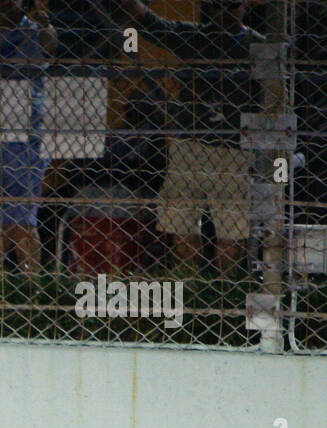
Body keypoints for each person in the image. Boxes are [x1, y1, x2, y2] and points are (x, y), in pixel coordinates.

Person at [113, 0, 263, 274]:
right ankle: (190, 293)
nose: (224, 12)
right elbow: (152, 24)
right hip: (190, 145)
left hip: (233, 149)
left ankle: (223, 298)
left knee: (229, 234)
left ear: (243, 8)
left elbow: (272, 100)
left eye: (231, 6)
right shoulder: (197, 36)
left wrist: (259, 149)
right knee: (181, 228)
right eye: (217, 7)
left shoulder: (258, 46)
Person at [0, 0, 57, 275]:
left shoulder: (36, 31)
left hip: (24, 135)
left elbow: (50, 46)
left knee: (22, 220)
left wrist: (44, 23)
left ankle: (30, 288)